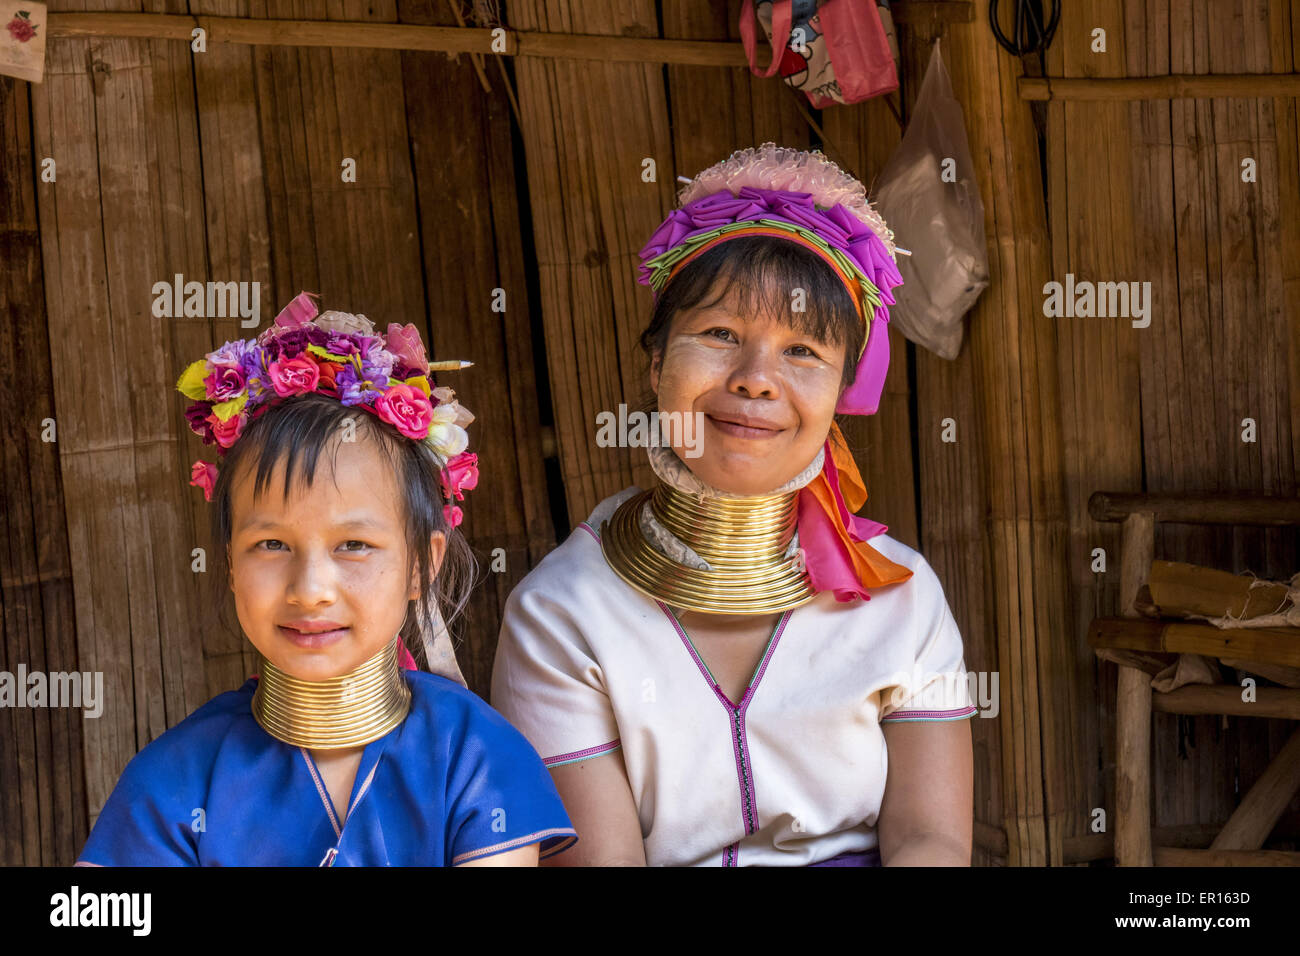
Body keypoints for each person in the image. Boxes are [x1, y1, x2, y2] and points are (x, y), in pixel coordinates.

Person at [492, 143, 976, 867]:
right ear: (656, 365)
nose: (756, 379)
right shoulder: (562, 614)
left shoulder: (900, 596)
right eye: (720, 335)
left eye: (803, 351)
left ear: (843, 388)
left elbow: (930, 841)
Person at [76, 292, 576, 866]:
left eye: (354, 545)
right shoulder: (172, 782)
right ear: (231, 566)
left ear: (422, 564)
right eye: (271, 544)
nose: (310, 587)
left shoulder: (475, 757)